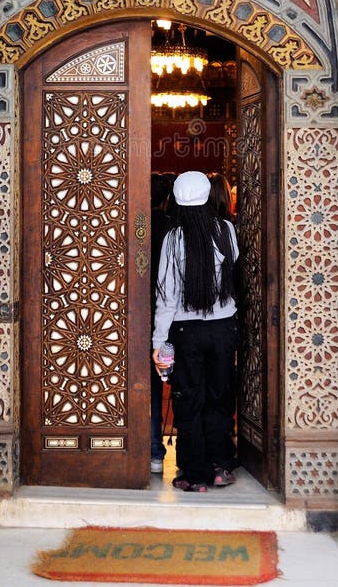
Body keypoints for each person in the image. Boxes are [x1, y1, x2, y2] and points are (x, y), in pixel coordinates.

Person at [152, 170, 239, 492]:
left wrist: (159, 341)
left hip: (185, 332)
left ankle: (194, 473)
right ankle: (220, 466)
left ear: (176, 199)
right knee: (219, 396)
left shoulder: (173, 238)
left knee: (189, 399)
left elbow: (167, 295)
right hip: (223, 328)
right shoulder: (226, 231)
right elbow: (234, 265)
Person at [150, 172, 174, 473]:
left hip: (127, 316)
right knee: (167, 383)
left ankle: (148, 447)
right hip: (168, 319)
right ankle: (160, 451)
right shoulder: (173, 229)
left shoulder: (127, 223)